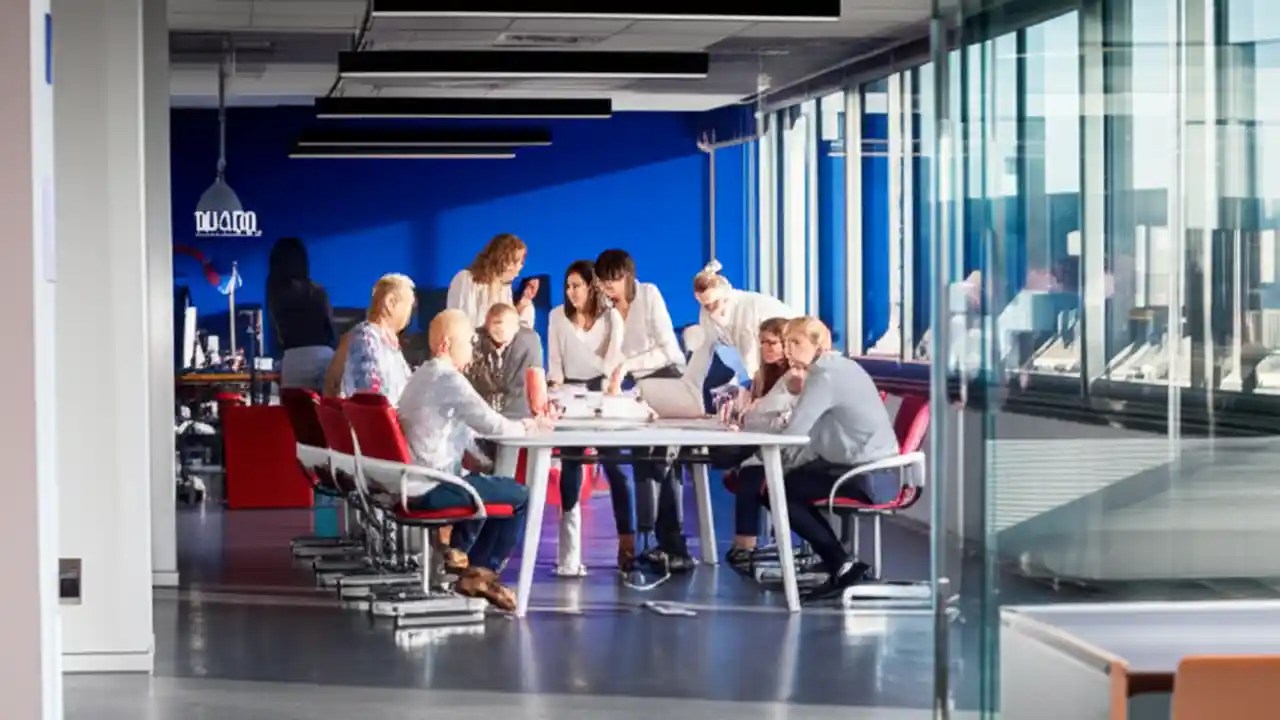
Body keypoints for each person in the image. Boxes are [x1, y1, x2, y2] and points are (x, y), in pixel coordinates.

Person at [397, 309, 551, 612]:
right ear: (445, 345)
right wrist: (528, 427)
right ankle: (480, 572)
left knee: (489, 484)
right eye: (467, 342)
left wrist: (482, 461)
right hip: (432, 486)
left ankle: (459, 552)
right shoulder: (449, 379)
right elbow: (490, 423)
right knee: (522, 496)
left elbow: (459, 428)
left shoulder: (421, 377)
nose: (472, 348)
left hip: (412, 481)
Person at [764, 316, 900, 599]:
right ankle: (837, 562)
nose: (789, 350)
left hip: (867, 474)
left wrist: (774, 458)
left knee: (778, 491)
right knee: (784, 483)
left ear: (819, 344)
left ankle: (841, 564)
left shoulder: (824, 377)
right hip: (872, 467)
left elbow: (795, 432)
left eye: (797, 342)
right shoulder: (840, 367)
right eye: (787, 343)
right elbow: (812, 434)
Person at [594, 249, 693, 573]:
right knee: (641, 465)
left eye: (614, 280)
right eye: (604, 281)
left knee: (663, 465)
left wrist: (627, 366)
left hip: (668, 382)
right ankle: (653, 543)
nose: (609, 287)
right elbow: (610, 357)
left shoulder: (649, 295)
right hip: (638, 391)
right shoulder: (607, 309)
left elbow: (669, 350)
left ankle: (676, 547)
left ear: (627, 275)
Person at [545, 260, 628, 577]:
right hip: (569, 398)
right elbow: (554, 364)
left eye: (576, 285)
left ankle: (628, 547)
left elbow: (612, 364)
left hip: (603, 398)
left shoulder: (611, 318)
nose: (570, 292)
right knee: (571, 467)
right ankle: (569, 557)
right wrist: (558, 392)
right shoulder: (556, 316)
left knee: (616, 467)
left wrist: (604, 392)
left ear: (591, 286)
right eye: (568, 286)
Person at [719, 317, 796, 567]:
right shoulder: (761, 375)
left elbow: (778, 417)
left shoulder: (795, 379)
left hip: (786, 448)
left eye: (772, 343)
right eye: (763, 343)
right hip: (760, 441)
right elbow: (753, 413)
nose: (767, 348)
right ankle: (744, 544)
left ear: (787, 344)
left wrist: (747, 415)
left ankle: (745, 545)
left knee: (750, 473)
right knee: (724, 457)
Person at [690, 260, 799, 380]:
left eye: (715, 302)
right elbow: (707, 346)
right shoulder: (706, 315)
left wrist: (754, 383)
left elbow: (750, 352)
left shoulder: (747, 308)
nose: (711, 308)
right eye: (706, 305)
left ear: (725, 294)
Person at [266, 237, 337, 390]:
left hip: (293, 361)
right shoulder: (317, 291)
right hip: (323, 357)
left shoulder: (275, 294)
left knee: (296, 411)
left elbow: (278, 334)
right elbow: (329, 327)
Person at [341, 273, 415, 405]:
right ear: (390, 302)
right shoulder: (366, 338)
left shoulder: (387, 342)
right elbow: (372, 398)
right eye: (409, 306)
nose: (410, 315)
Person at [465, 303, 544, 418]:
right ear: (486, 325)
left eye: (503, 324)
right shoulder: (474, 341)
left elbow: (534, 383)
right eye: (495, 324)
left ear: (516, 326)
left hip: (519, 414)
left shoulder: (530, 342)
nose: (500, 329)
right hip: (482, 415)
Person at [447, 233, 538, 330]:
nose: (520, 267)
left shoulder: (504, 289)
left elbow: (505, 327)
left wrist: (522, 306)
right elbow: (460, 323)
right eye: (517, 261)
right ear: (502, 260)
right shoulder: (465, 279)